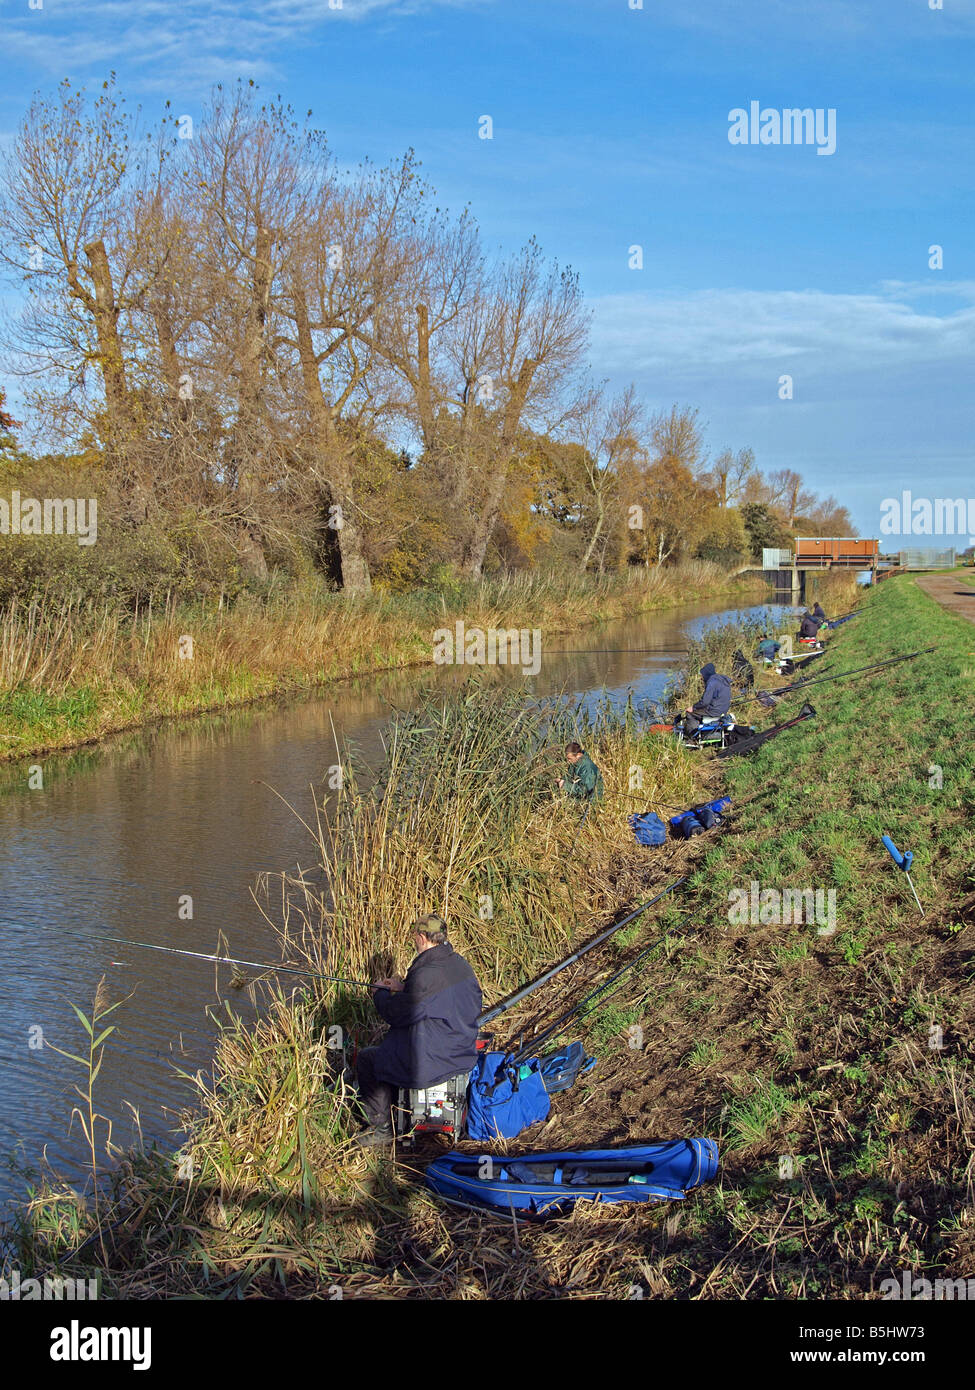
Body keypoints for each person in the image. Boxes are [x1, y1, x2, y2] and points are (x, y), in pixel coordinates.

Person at [355, 914, 482, 1148]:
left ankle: (380, 1129)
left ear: (422, 937)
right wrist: (404, 987)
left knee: (369, 1059)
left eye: (415, 935)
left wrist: (379, 994)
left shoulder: (425, 975)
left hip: (436, 1061)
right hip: (463, 1051)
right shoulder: (460, 965)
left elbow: (396, 1014)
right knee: (394, 1045)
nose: (414, 939)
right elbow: (440, 998)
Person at [683, 662, 732, 735]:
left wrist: (693, 707)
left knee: (689, 713)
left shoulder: (711, 682)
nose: (702, 677)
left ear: (706, 674)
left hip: (714, 711)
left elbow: (705, 702)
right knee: (699, 712)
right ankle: (702, 732)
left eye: (703, 675)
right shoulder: (722, 680)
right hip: (724, 710)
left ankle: (692, 735)